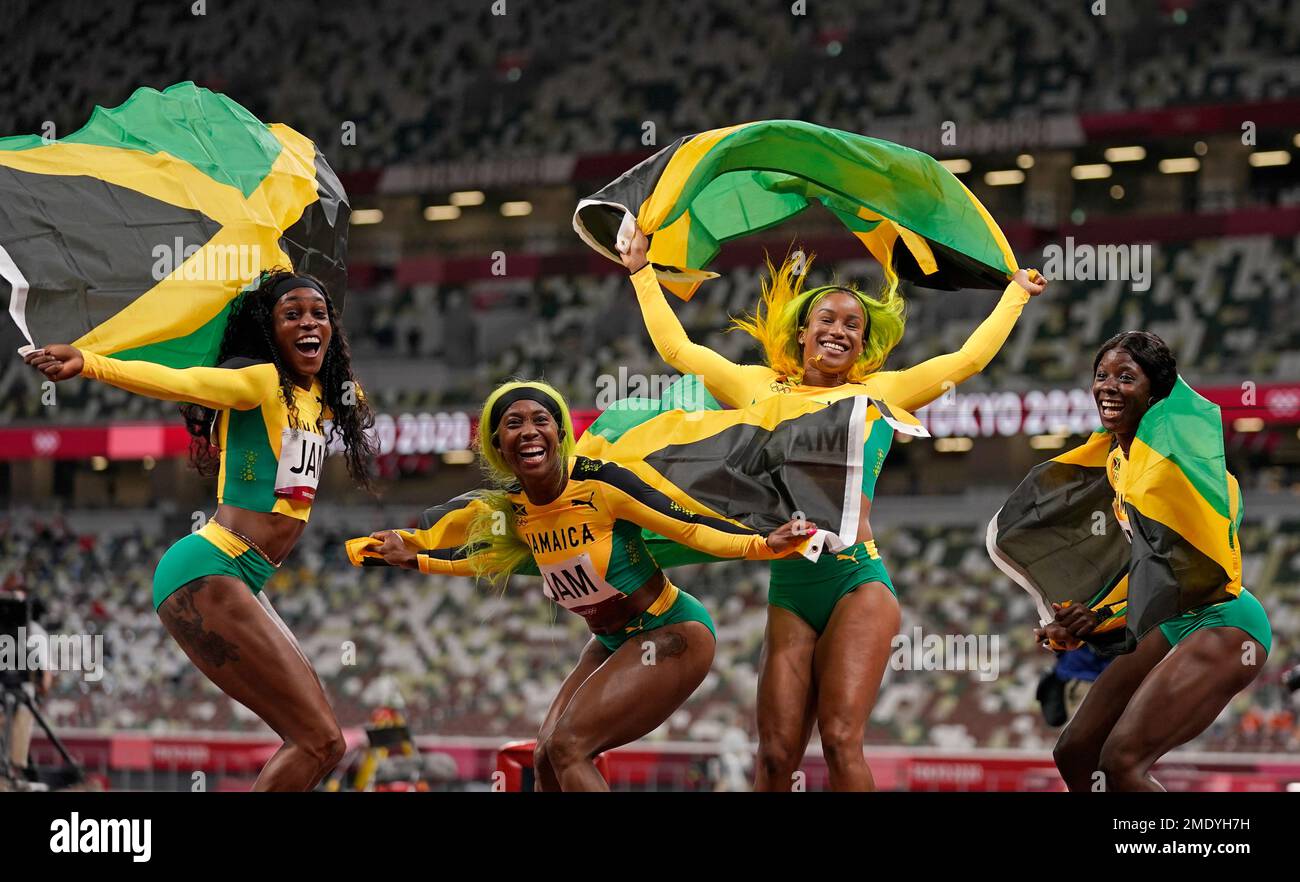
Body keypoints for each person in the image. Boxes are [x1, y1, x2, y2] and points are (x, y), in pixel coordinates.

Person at [620, 224, 1045, 790]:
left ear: (863, 343)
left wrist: (1014, 292)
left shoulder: (878, 394)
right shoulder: (757, 388)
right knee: (774, 757)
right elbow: (679, 350)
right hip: (790, 588)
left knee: (842, 739)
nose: (840, 331)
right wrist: (642, 272)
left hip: (855, 581)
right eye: (827, 320)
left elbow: (965, 361)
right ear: (802, 332)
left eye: (853, 325)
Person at [351, 380, 810, 792]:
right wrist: (410, 552)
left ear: (560, 433)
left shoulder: (601, 483)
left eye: (541, 420)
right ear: (497, 444)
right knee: (546, 758)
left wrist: (762, 544)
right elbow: (459, 546)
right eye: (514, 423)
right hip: (610, 641)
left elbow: (687, 526)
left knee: (569, 747)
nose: (529, 430)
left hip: (670, 631)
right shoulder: (509, 510)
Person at [23, 269, 376, 791]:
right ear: (267, 330)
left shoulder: (320, 395)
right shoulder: (259, 381)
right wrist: (92, 363)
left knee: (323, 742)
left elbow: (357, 401)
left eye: (319, 315)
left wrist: (287, 281)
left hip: (238, 574)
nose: (308, 323)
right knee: (319, 740)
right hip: (209, 568)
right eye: (292, 315)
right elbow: (183, 382)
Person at [1039, 331, 1270, 792]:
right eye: (1101, 375)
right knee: (1076, 752)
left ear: (1156, 391)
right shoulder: (1118, 464)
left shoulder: (1179, 458)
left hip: (1223, 620)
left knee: (1122, 762)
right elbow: (1144, 562)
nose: (1108, 386)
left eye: (1127, 377)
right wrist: (1093, 619)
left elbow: (1196, 543)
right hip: (1170, 621)